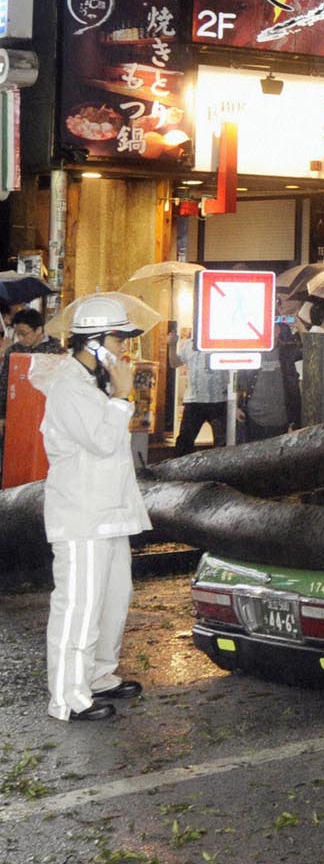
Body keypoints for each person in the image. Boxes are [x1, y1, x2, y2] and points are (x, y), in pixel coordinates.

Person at [39, 295, 150, 722]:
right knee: (78, 606)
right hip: (82, 514)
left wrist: (116, 393)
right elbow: (101, 442)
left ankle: (99, 675)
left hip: (109, 512)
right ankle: (67, 697)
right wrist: (122, 397)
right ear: (95, 343)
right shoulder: (70, 386)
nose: (125, 348)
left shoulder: (94, 383)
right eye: (119, 339)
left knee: (112, 600)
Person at [0, 309, 64, 456]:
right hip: (17, 412)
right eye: (18, 334)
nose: (21, 338)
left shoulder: (55, 351)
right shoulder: (14, 351)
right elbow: (4, 384)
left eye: (25, 333)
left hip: (44, 416)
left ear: (39, 330)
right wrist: (2, 415)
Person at [240, 292, 302, 441]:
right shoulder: (251, 351)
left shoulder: (288, 351)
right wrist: (236, 406)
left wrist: (299, 324)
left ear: (278, 330)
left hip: (282, 420)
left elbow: (311, 348)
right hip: (254, 418)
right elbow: (239, 377)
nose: (268, 330)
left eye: (273, 327)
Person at [172, 325, 232, 457]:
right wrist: (171, 345)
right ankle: (181, 471)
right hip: (195, 400)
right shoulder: (189, 345)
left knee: (222, 442)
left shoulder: (221, 343)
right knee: (184, 442)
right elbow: (174, 363)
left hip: (218, 399)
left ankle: (220, 472)